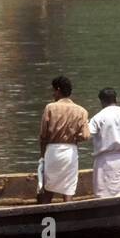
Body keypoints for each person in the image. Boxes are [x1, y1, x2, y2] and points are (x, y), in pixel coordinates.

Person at [38, 75, 90, 203]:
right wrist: (74, 136)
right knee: (68, 189)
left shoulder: (50, 107)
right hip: (70, 152)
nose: (53, 94)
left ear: (58, 90)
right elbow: (85, 135)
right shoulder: (81, 111)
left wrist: (43, 156)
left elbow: (43, 135)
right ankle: (69, 217)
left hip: (52, 151)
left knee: (48, 188)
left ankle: (45, 217)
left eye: (54, 90)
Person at [88, 88, 120, 198]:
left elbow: (86, 135)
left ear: (101, 101)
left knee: (102, 196)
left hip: (104, 162)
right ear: (116, 99)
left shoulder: (97, 118)